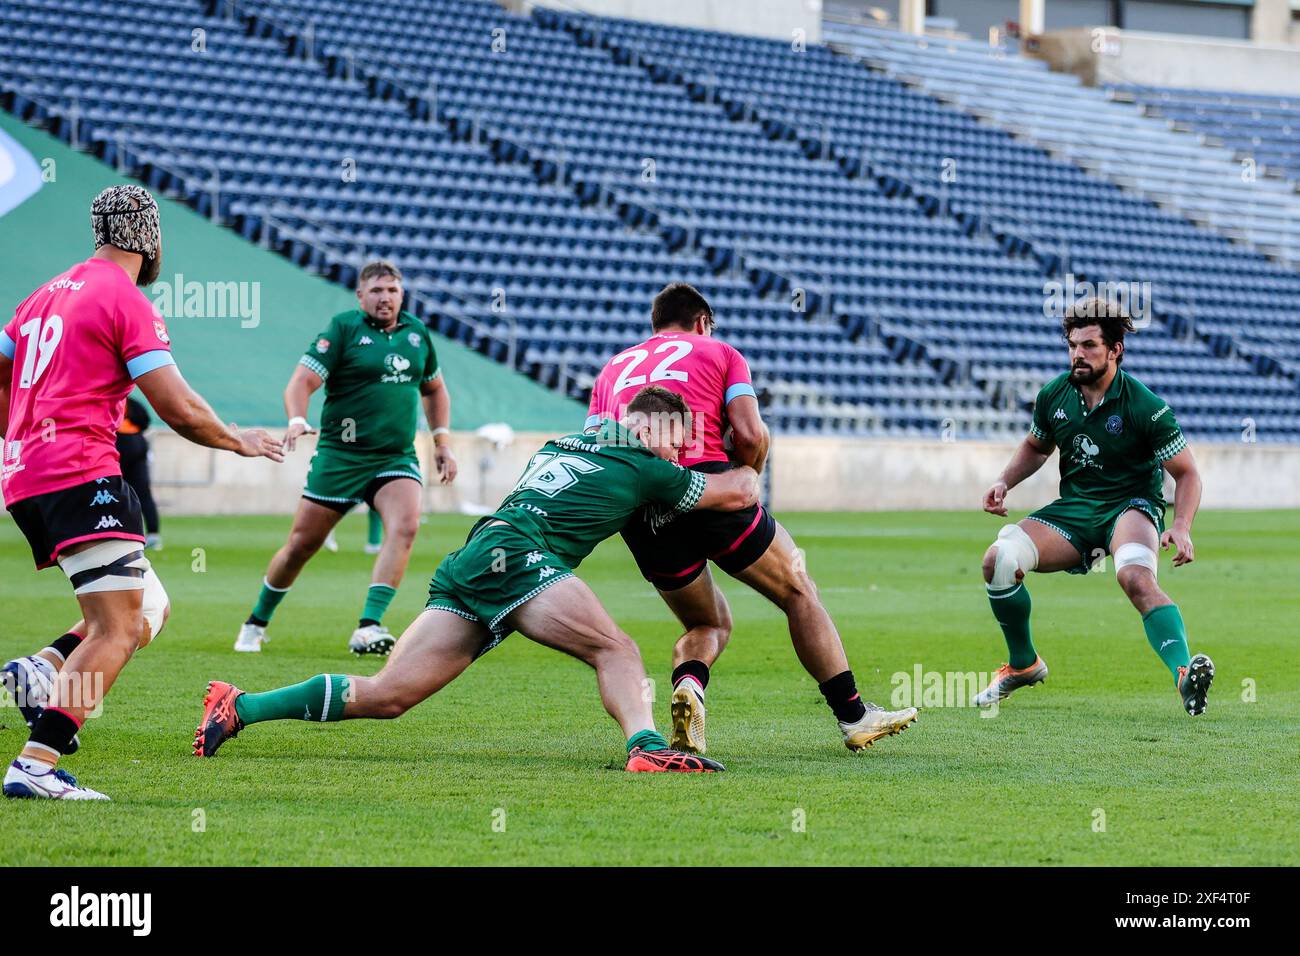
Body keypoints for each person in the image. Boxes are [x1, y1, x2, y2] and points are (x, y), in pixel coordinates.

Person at [196, 387, 759, 772]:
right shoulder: (644, 465)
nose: (679, 453)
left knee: (389, 695)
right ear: (648, 425)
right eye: (677, 439)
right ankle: (647, 747)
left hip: (478, 553)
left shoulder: (568, 441)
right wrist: (753, 457)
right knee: (616, 648)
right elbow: (733, 494)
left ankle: (239, 705)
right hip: (519, 554)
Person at [1, 184, 283, 800]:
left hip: (27, 475)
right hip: (81, 472)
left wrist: (19, 438)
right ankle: (35, 766)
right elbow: (178, 408)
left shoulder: (42, 294)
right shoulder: (125, 300)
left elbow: (2, 373)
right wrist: (240, 442)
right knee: (118, 629)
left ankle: (39, 671)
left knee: (148, 604)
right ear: (149, 237)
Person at [586, 282, 917, 753]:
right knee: (798, 590)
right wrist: (748, 474)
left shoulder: (613, 369)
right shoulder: (720, 352)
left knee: (707, 624)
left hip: (641, 511)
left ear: (655, 325)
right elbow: (748, 431)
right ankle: (854, 716)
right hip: (711, 487)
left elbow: (598, 446)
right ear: (702, 322)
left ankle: (690, 687)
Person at [975, 297, 1213, 715]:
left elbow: (1188, 473)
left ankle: (1183, 673)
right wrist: (1004, 480)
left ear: (1115, 350)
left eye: (1088, 346)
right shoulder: (1055, 394)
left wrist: (1183, 525)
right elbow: (1036, 445)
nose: (1077, 355)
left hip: (1131, 507)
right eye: (1072, 345)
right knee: (998, 560)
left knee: (1135, 577)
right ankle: (1023, 663)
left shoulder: (1145, 407)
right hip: (1076, 508)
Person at [234, 260, 456, 656]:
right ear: (360, 296)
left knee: (405, 526)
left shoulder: (418, 334)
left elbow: (435, 390)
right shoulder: (342, 329)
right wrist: (298, 418)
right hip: (341, 456)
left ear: (402, 293)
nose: (385, 297)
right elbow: (302, 381)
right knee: (302, 545)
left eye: (392, 290)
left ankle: (369, 626)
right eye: (376, 291)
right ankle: (256, 622)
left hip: (395, 457)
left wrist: (442, 442)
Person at [116, 396, 161, 550]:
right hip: (138, 442)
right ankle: (154, 535)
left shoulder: (111, 401)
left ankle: (120, 532)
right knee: (143, 492)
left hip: (118, 443)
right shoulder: (132, 403)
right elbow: (145, 421)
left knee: (116, 490)